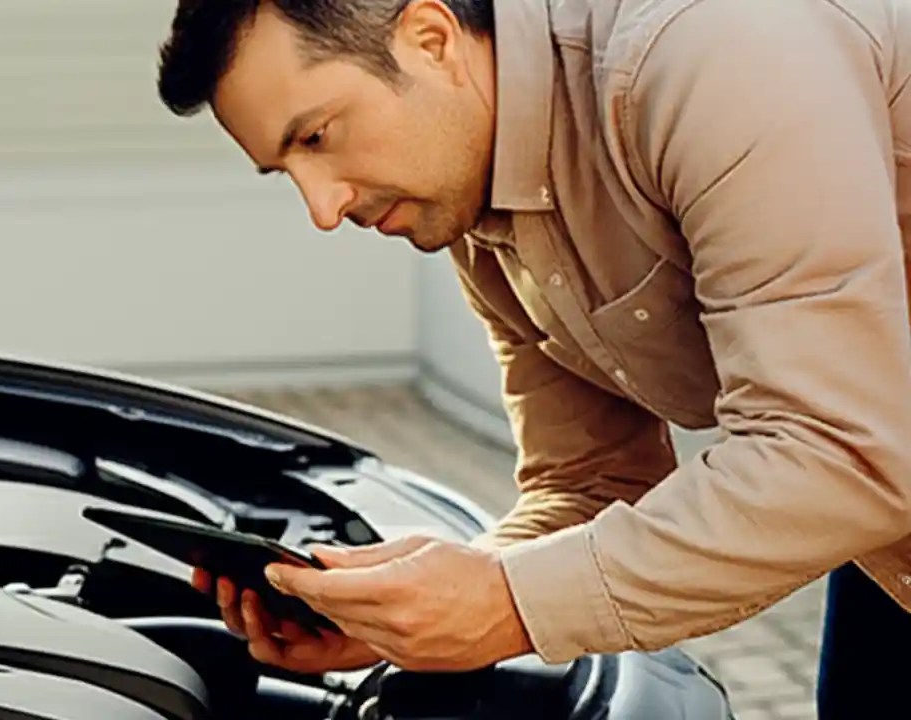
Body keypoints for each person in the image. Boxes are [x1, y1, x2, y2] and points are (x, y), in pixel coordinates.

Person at [152, 0, 911, 716]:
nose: (322, 208)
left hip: (861, 480)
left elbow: (834, 451)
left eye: (316, 137)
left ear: (430, 38)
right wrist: (420, 612)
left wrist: (502, 603)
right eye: (286, 171)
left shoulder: (712, 49)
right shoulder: (475, 203)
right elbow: (592, 481)